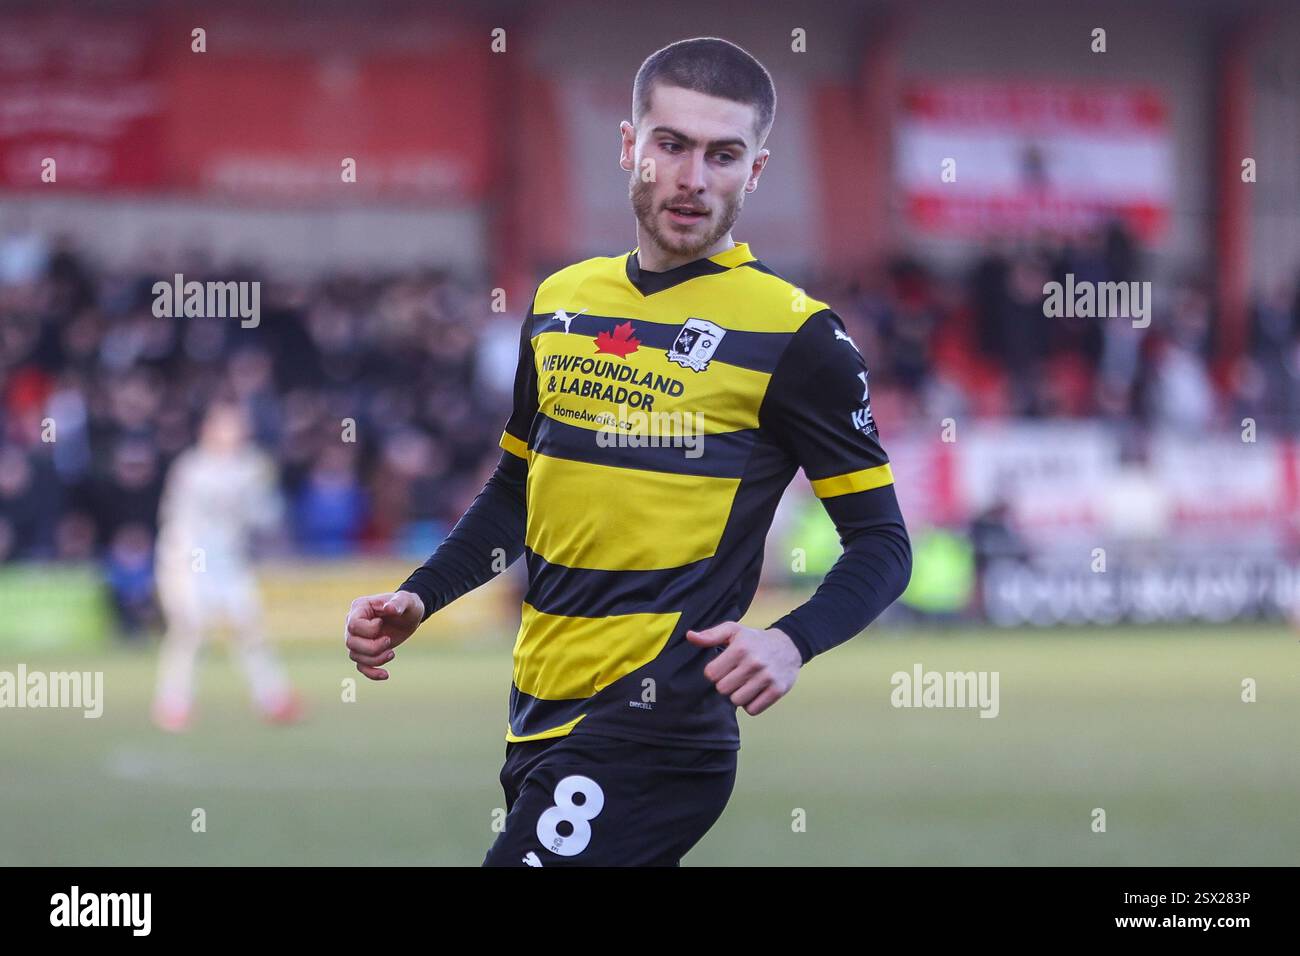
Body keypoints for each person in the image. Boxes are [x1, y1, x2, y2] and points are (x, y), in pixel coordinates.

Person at [344, 36, 911, 866]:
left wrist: (791, 641)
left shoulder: (798, 336)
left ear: (755, 171)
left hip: (658, 721)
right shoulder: (561, 301)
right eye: (671, 145)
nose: (693, 178)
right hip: (540, 707)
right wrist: (422, 596)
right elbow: (516, 492)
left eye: (724, 155)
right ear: (628, 147)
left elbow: (883, 542)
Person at [152, 400, 302, 731]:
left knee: (249, 627)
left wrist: (264, 487)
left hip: (230, 561)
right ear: (209, 429)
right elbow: (177, 518)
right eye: (227, 425)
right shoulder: (191, 468)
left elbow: (266, 517)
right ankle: (173, 702)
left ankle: (272, 698)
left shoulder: (251, 466)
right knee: (191, 630)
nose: (236, 432)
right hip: (189, 558)